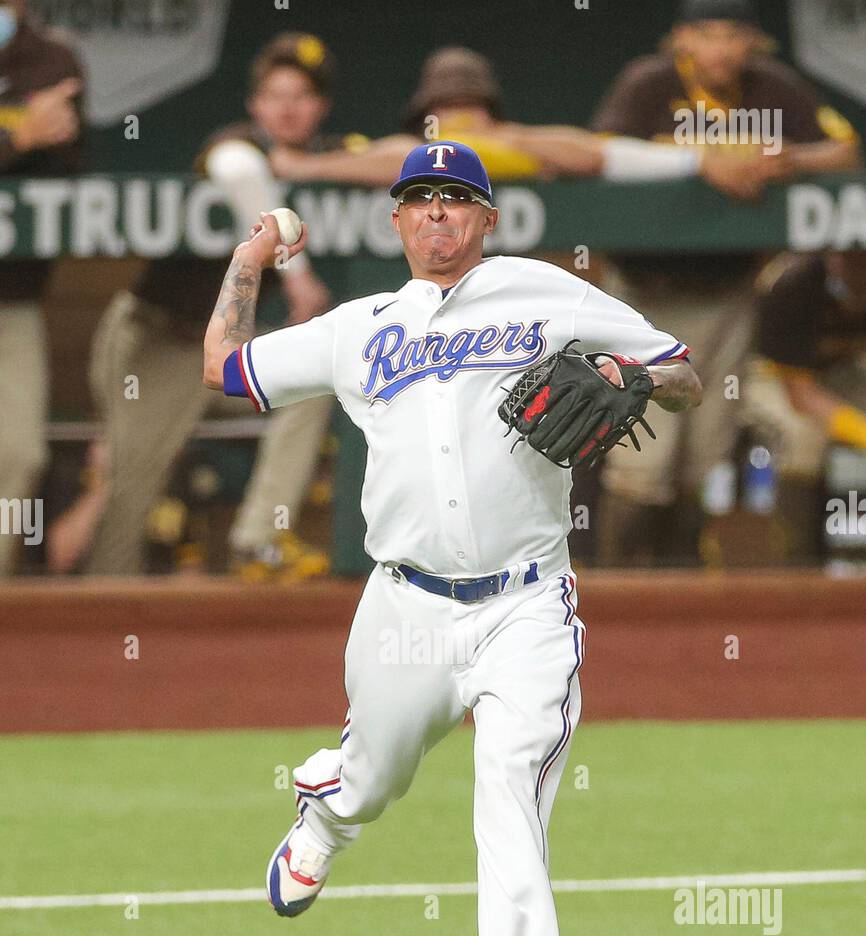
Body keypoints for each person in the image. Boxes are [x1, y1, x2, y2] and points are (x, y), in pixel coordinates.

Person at [202, 142, 701, 936]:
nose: (438, 216)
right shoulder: (358, 328)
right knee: (378, 774)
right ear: (396, 222)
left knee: (508, 791)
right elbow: (224, 369)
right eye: (420, 202)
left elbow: (682, 371)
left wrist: (627, 375)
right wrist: (251, 260)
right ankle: (330, 812)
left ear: (489, 219)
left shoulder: (545, 292)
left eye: (456, 201)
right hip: (402, 607)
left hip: (527, 608)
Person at [590, 0, 861, 565]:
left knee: (705, 446)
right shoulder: (649, 84)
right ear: (682, 39)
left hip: (728, 293)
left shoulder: (773, 88)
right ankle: (616, 594)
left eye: (735, 36)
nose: (721, 49)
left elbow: (843, 149)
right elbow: (603, 156)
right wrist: (702, 160)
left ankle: (684, 598)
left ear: (753, 44)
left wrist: (790, 158)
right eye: (708, 35)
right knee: (643, 455)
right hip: (644, 294)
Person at [86, 33, 360, 578]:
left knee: (312, 388)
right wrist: (296, 275)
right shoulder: (235, 143)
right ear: (255, 105)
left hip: (227, 360)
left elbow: (395, 160)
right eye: (274, 94)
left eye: (301, 95)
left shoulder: (328, 154)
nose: (287, 107)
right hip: (161, 340)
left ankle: (257, 538)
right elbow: (238, 170)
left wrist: (314, 169)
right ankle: (101, 609)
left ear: (321, 107)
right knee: (132, 490)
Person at [267, 46, 720, 187]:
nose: (462, 118)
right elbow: (399, 158)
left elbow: (596, 155)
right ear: (426, 113)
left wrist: (506, 137)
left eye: (472, 106)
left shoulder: (526, 143)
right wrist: (311, 167)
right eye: (448, 107)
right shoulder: (407, 150)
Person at [0, 0, 84, 576]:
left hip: (13, 296)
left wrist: (40, 140)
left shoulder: (51, 58)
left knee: (20, 452)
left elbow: (73, 170)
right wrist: (16, 139)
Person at [747, 250, 866, 563]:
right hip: (771, 378)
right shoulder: (794, 282)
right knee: (802, 439)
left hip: (842, 374)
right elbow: (800, 395)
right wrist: (862, 432)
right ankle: (799, 568)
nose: (857, 265)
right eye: (849, 255)